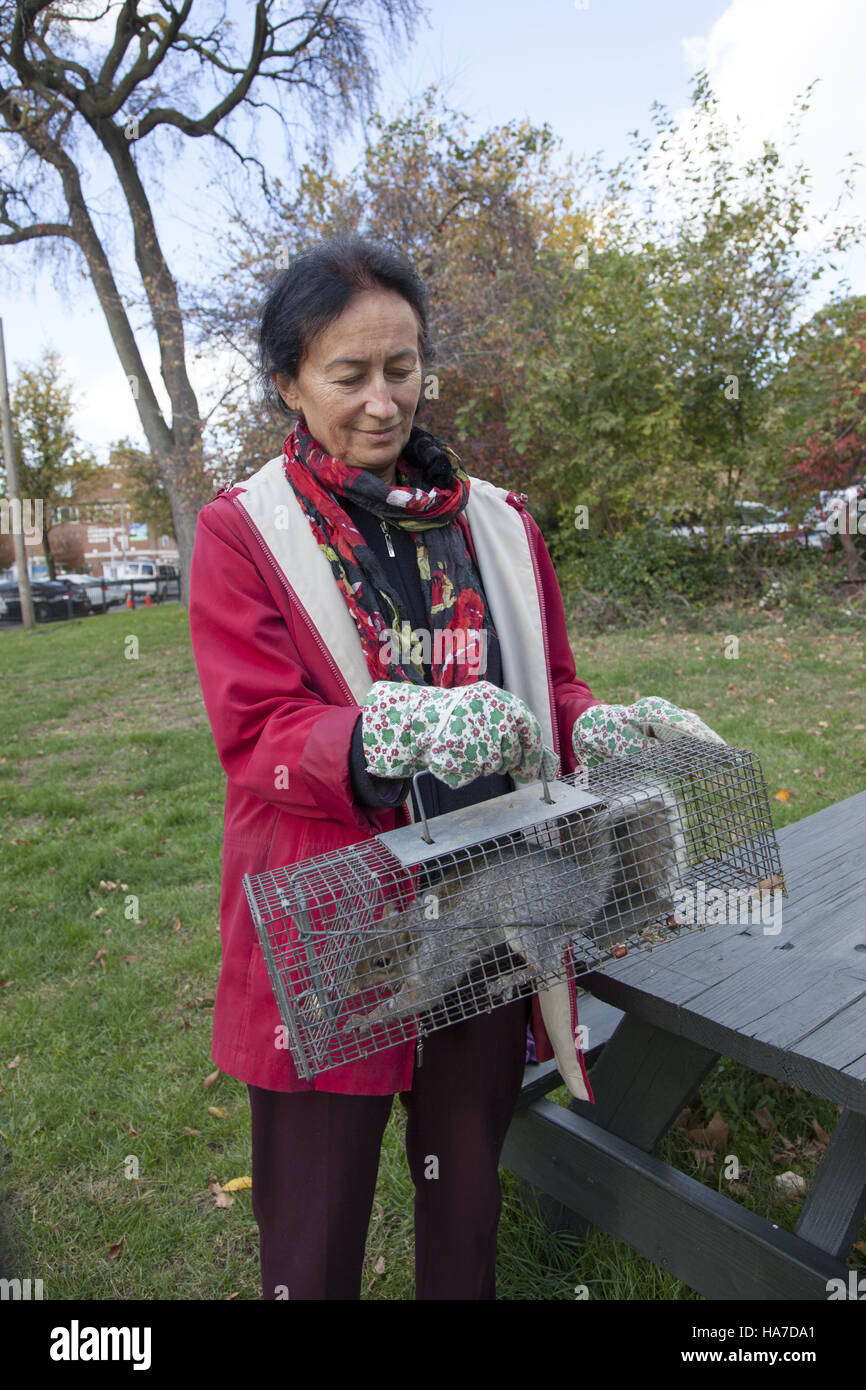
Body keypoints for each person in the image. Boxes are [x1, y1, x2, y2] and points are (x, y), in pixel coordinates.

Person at [188, 235, 722, 1300]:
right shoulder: (242, 532)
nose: (384, 402)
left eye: (403, 367)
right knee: (313, 1222)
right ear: (289, 380)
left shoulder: (496, 523)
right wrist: (392, 732)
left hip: (485, 903)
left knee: (463, 1194)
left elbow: (547, 690)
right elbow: (257, 732)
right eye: (348, 375)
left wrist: (599, 726)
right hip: (335, 921)